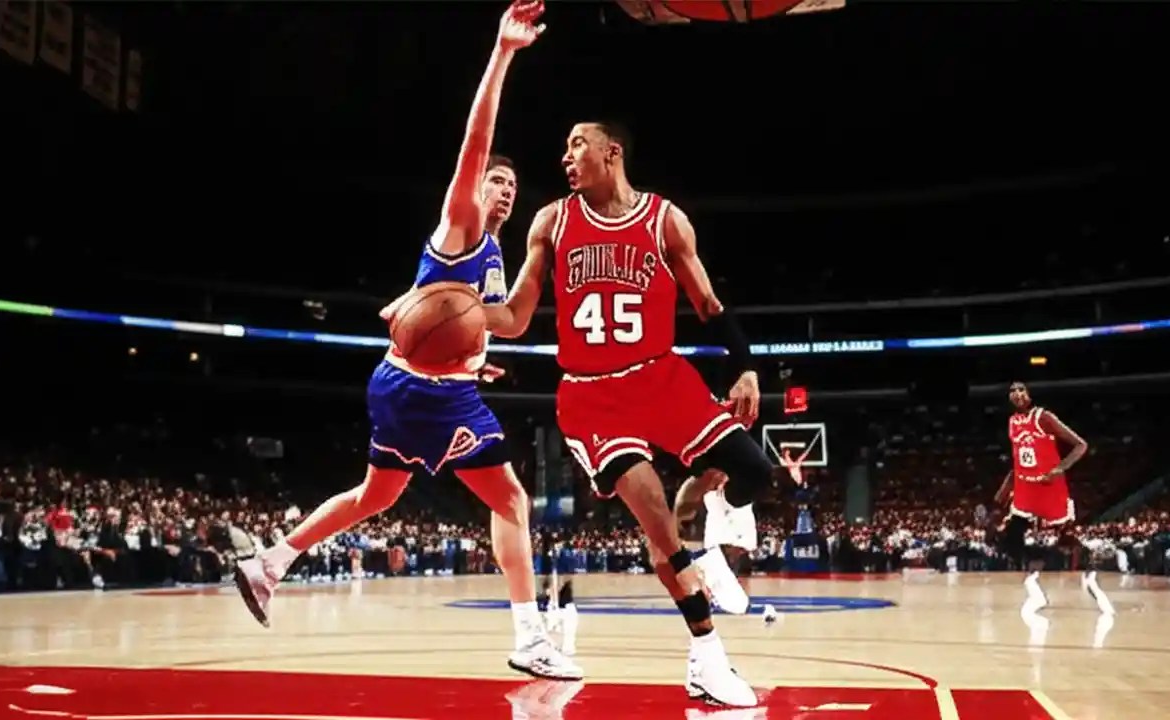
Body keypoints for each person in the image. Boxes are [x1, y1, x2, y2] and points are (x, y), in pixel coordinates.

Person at [233, 0, 582, 681]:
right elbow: (476, 139)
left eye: (512, 185)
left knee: (376, 496)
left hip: (405, 383)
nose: (504, 190)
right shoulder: (460, 226)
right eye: (497, 181)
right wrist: (504, 52)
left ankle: (269, 563)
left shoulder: (490, 263)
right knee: (510, 499)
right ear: (476, 187)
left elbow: (497, 322)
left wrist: (490, 337)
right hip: (426, 392)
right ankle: (529, 635)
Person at [485, 121, 776, 707]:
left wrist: (744, 367)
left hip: (661, 376)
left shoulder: (665, 220)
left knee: (757, 472)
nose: (566, 155)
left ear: (611, 152)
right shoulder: (552, 222)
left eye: (577, 144)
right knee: (659, 527)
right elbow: (515, 316)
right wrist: (456, 308)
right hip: (594, 395)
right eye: (564, 145)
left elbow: (709, 305)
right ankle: (707, 657)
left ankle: (714, 524)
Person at [994, 381, 1113, 615]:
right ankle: (1034, 581)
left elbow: (1081, 445)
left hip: (1049, 487)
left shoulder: (1043, 417)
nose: (1018, 394)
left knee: (1066, 540)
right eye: (1012, 391)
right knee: (1009, 539)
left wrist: (1060, 468)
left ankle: (1091, 576)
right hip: (1026, 487)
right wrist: (1003, 490)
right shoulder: (1012, 423)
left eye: (1022, 390)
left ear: (1029, 394)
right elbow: (1018, 460)